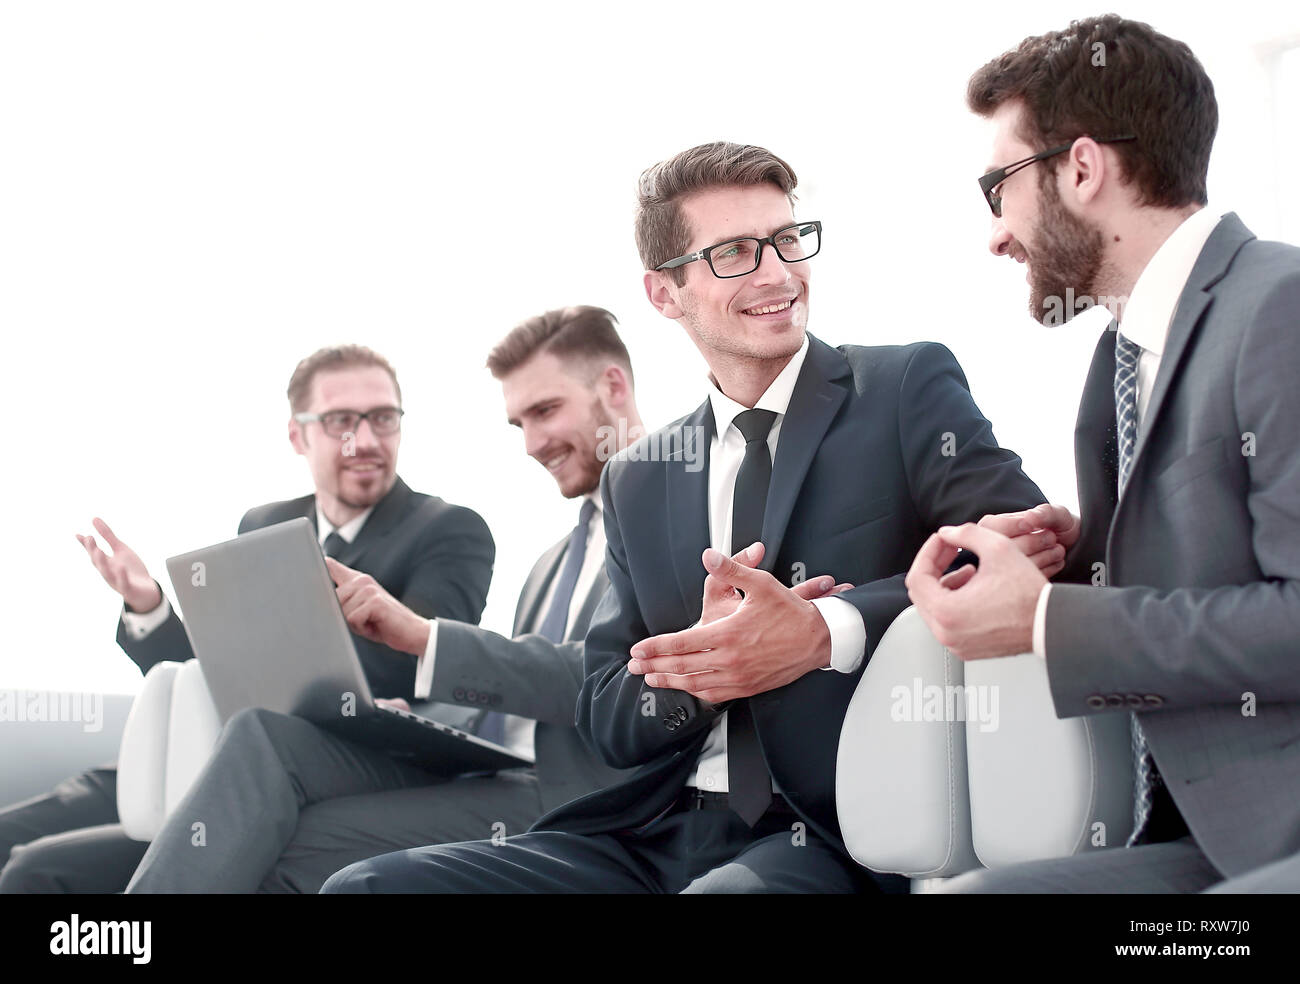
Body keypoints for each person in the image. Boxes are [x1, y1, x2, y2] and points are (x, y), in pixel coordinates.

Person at [323, 140, 1049, 894]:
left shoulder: (901, 387)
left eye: (787, 240)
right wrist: (697, 672)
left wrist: (827, 631)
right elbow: (606, 705)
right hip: (653, 827)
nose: (777, 272)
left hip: (834, 831)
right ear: (665, 294)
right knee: (367, 887)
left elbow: (1021, 548)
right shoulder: (641, 478)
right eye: (735, 251)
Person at [127, 306, 825, 893]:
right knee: (264, 738)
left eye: (545, 411)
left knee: (292, 839)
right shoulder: (550, 563)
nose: (532, 443)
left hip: (577, 791)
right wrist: (419, 716)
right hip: (488, 763)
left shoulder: (692, 525)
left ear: (614, 387)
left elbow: (615, 678)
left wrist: (425, 640)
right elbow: (520, 690)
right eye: (518, 423)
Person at [903, 14, 1300, 893]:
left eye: (997, 186)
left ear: (1082, 169)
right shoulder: (1120, 356)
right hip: (1200, 835)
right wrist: (1060, 560)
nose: (996, 235)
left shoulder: (1281, 306)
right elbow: (1208, 564)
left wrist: (1045, 624)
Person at [0, 344, 493, 893]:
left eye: (383, 418)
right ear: (297, 435)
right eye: (340, 421)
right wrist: (149, 606)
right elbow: (220, 672)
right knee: (14, 836)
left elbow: (420, 659)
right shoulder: (267, 523)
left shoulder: (449, 530)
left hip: (332, 771)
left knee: (37, 871)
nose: (367, 441)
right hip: (220, 752)